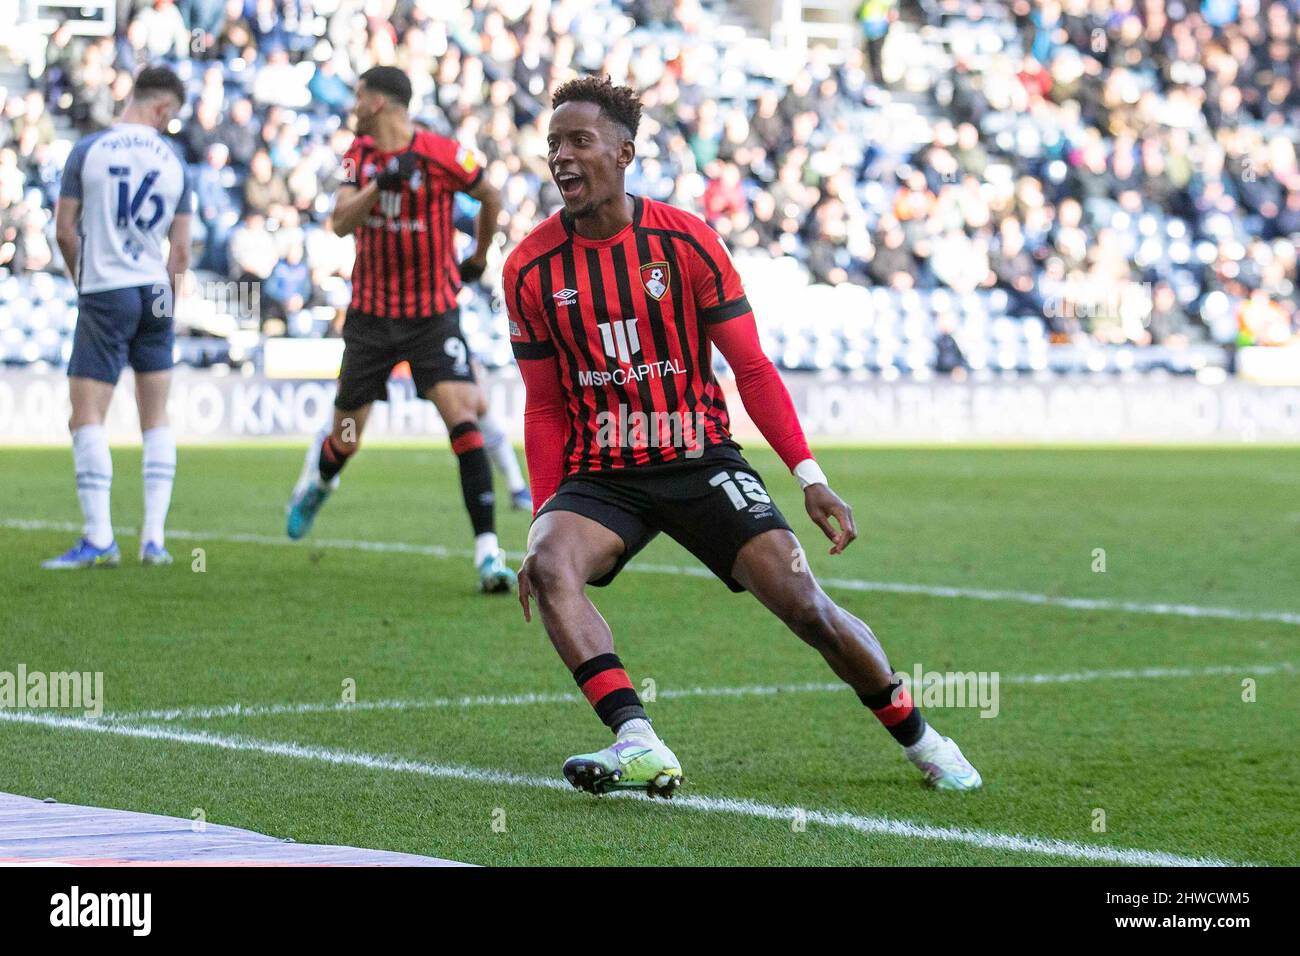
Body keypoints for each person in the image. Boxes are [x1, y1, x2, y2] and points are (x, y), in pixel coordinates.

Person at [507, 77, 982, 796]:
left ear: (624, 152)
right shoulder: (529, 268)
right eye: (553, 146)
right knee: (548, 566)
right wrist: (546, 513)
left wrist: (808, 473)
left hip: (699, 458)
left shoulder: (685, 240)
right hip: (604, 471)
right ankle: (637, 739)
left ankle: (922, 737)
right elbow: (543, 408)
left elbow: (752, 367)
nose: (562, 159)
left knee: (806, 609)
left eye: (579, 142)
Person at [284, 66, 516, 593]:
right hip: (370, 317)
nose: (354, 103)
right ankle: (321, 481)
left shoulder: (441, 152)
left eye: (360, 94)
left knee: (462, 412)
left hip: (433, 315)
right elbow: (341, 222)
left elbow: (492, 196)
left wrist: (477, 257)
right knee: (347, 436)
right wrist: (377, 188)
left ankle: (488, 554)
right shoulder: (357, 155)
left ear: (382, 103)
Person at [43, 65, 192, 569]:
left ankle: (100, 537)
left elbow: (64, 230)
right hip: (155, 293)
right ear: (164, 108)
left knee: (86, 416)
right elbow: (183, 251)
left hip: (106, 288)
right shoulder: (174, 162)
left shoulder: (88, 150)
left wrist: (82, 280)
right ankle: (154, 540)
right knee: (156, 418)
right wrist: (167, 299)